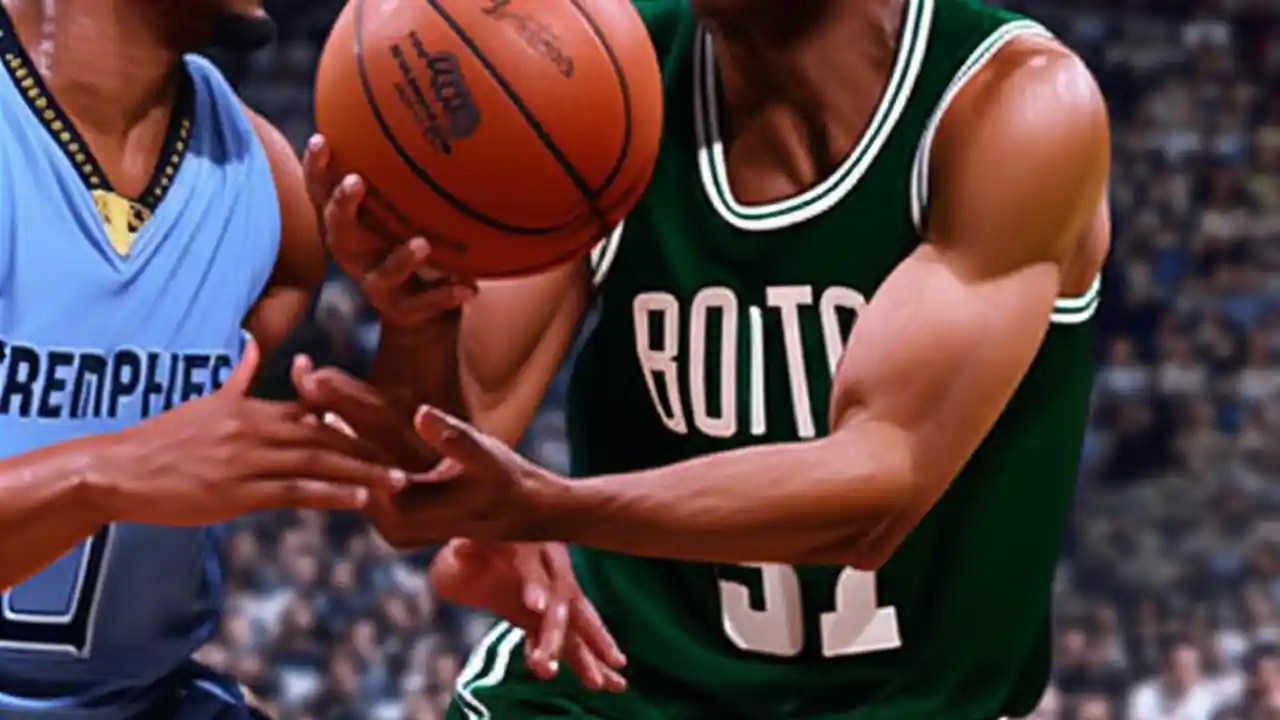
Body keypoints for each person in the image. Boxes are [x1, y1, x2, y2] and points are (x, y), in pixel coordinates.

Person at [305, 0, 1111, 716]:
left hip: (914, 700)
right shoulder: (596, 81)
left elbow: (877, 490)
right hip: (621, 681)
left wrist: (541, 506)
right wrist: (416, 315)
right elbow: (447, 455)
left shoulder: (1010, 102)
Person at [0, 0, 612, 717]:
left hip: (149, 699)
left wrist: (415, 328)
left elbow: (373, 461)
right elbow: (151, 463)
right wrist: (101, 474)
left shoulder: (263, 183)